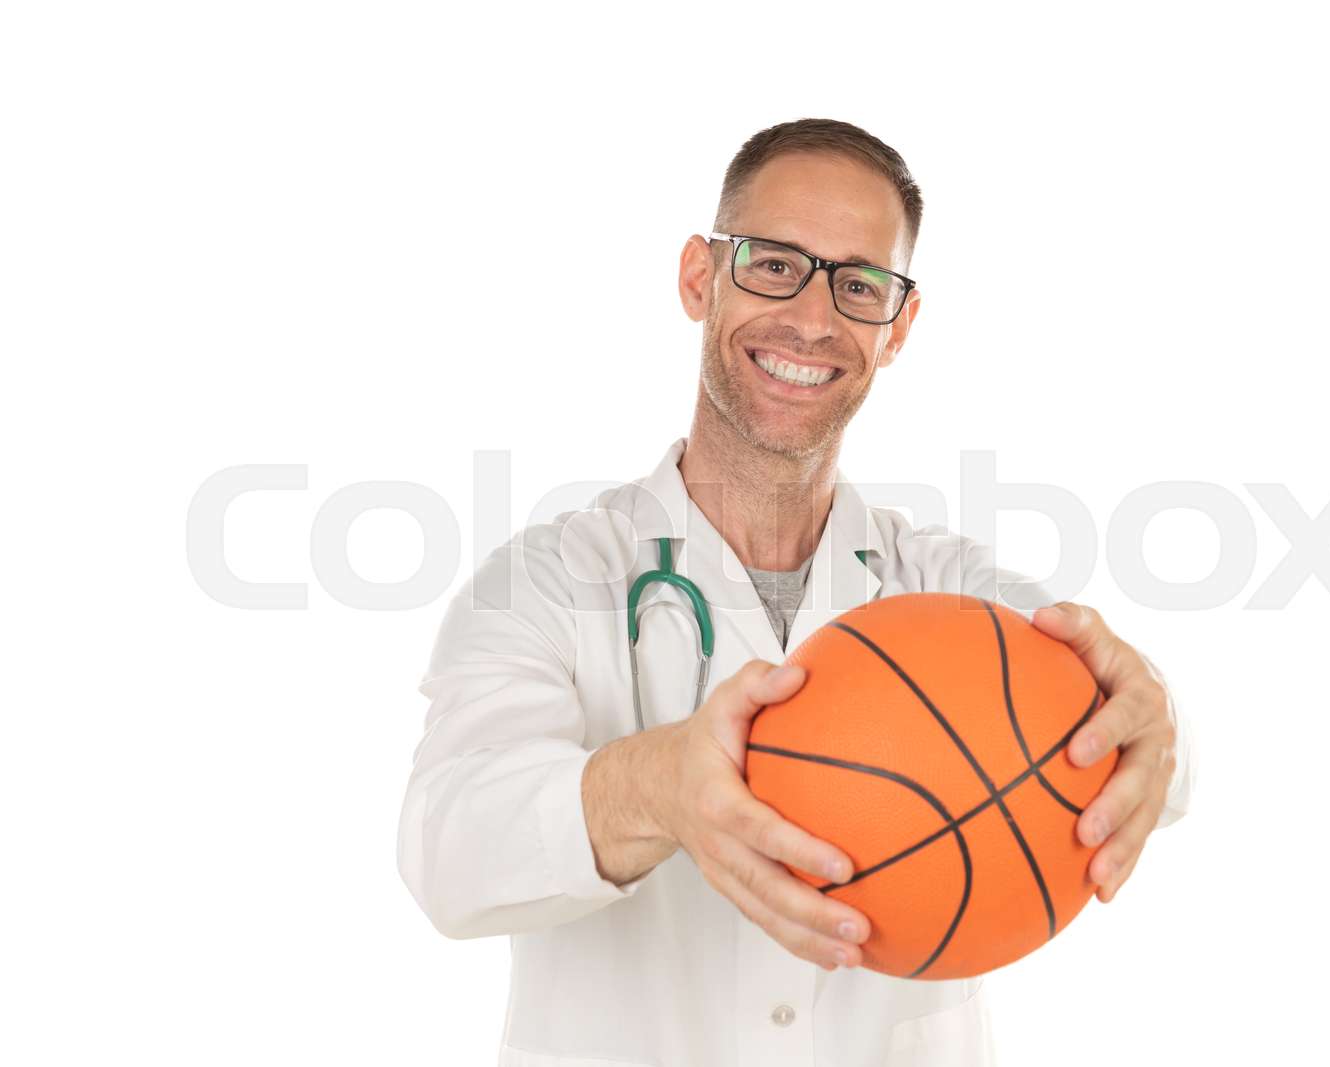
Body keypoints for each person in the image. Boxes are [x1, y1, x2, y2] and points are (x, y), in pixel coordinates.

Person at [397, 118, 1193, 1067]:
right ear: (701, 278)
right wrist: (658, 786)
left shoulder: (947, 590)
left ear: (896, 326)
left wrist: (1151, 719)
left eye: (859, 284)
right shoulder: (544, 583)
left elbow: (1145, 746)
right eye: (774, 263)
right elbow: (448, 853)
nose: (814, 320)